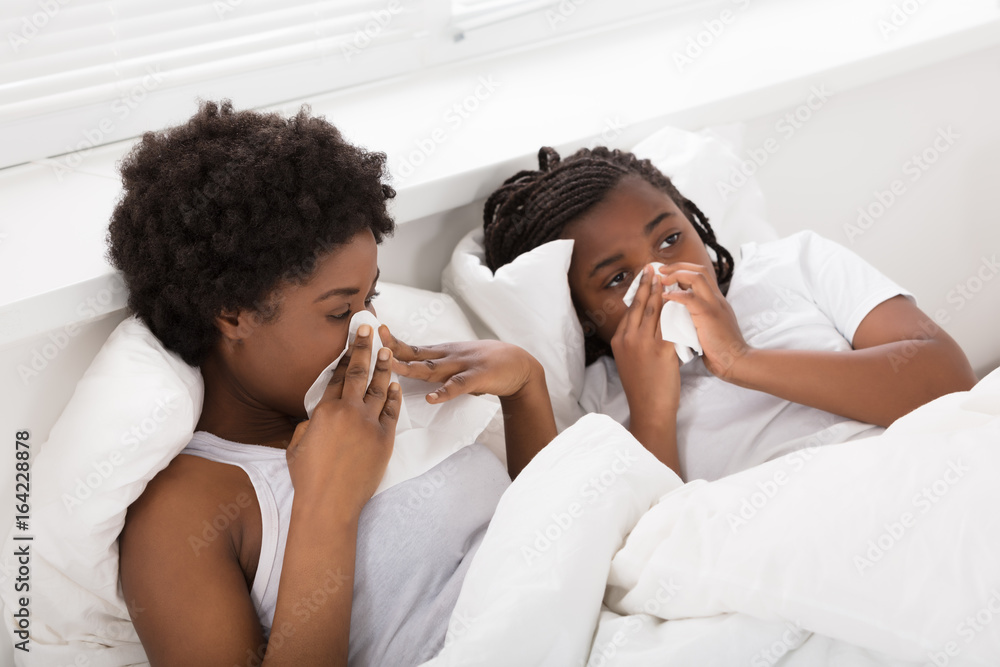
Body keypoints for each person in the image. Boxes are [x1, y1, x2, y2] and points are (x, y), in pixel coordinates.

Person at [112, 101, 557, 666]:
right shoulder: (185, 513)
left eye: (369, 298)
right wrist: (327, 504)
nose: (367, 329)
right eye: (339, 310)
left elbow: (549, 540)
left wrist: (525, 389)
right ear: (232, 314)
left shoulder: (383, 391)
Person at [481, 145, 977, 481]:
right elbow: (641, 545)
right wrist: (653, 411)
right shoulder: (600, 401)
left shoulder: (795, 266)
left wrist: (740, 360)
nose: (662, 273)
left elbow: (948, 380)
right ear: (582, 315)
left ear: (695, 221)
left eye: (672, 239)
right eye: (616, 279)